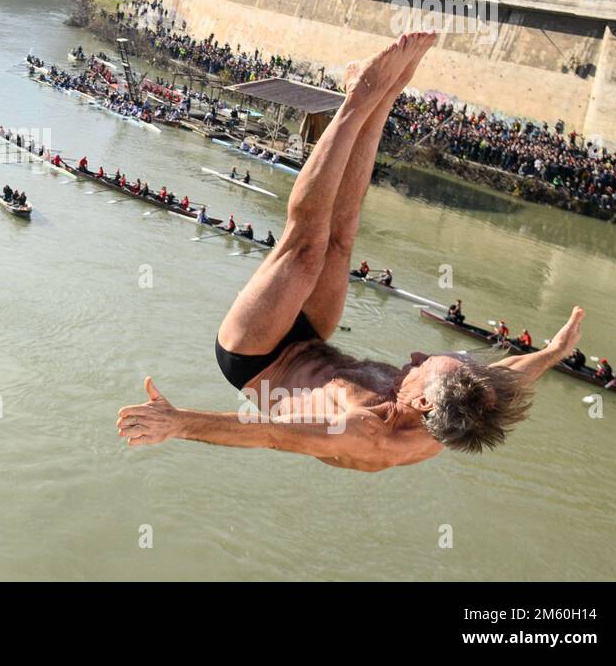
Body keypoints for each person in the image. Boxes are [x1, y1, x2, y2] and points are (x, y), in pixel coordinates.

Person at [117, 32, 585, 471]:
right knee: (341, 238)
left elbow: (269, 435)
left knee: (305, 246)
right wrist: (554, 352)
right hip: (312, 339)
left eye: (423, 367)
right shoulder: (461, 405)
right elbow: (510, 375)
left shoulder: (364, 434)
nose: (418, 356)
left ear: (422, 403)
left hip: (255, 359)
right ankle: (383, 99)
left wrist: (178, 423)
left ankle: (359, 97)